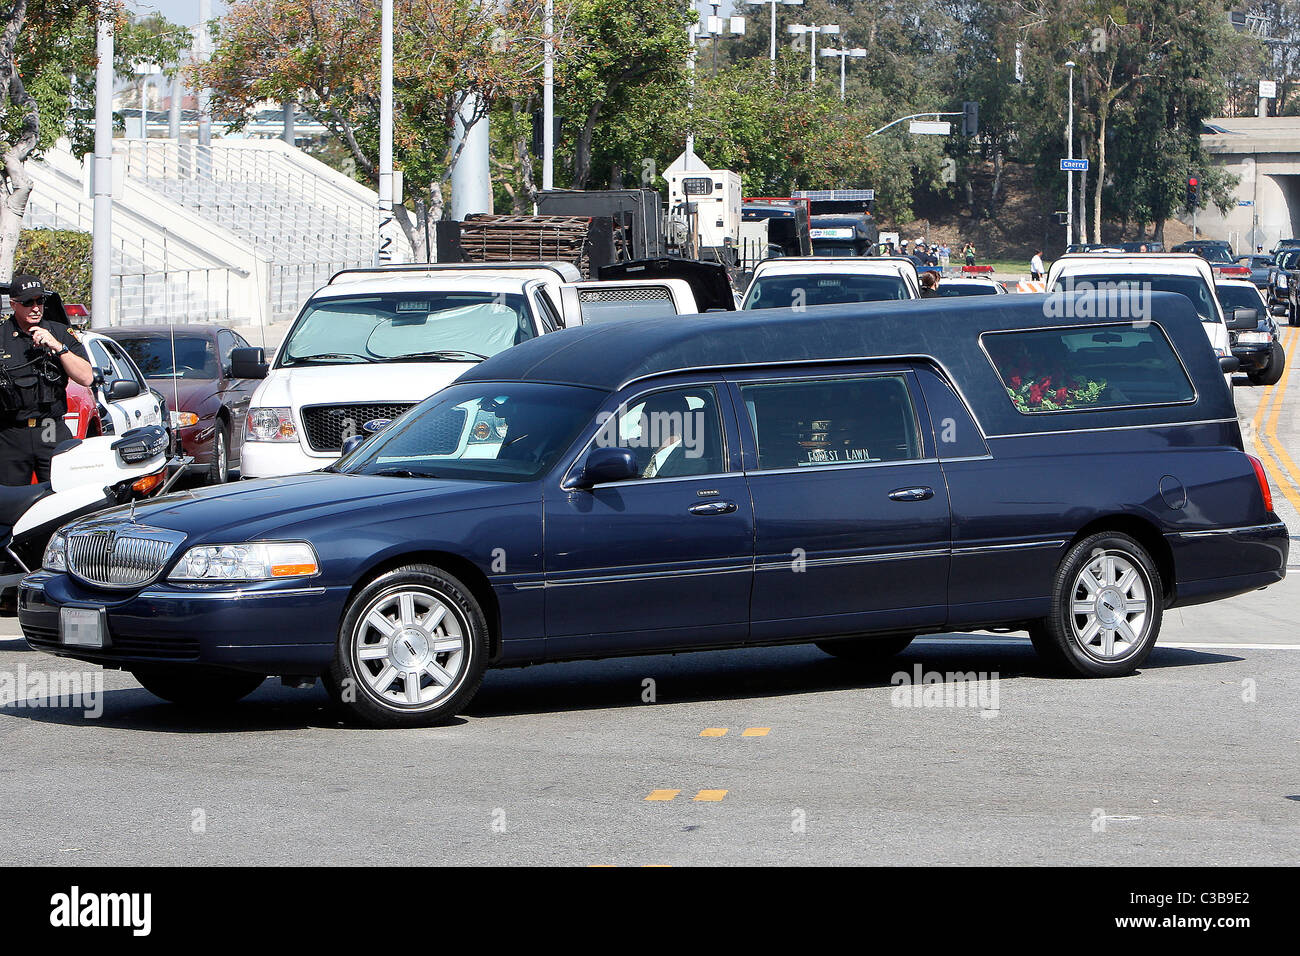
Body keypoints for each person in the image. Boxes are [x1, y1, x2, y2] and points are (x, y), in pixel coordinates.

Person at [0, 274, 94, 485]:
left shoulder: (59, 332)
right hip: (11, 433)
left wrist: (58, 347)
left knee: (63, 497)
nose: (35, 308)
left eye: (39, 301)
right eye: (27, 302)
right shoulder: (2, 337)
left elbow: (86, 378)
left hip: (50, 429)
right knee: (9, 503)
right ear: (14, 304)